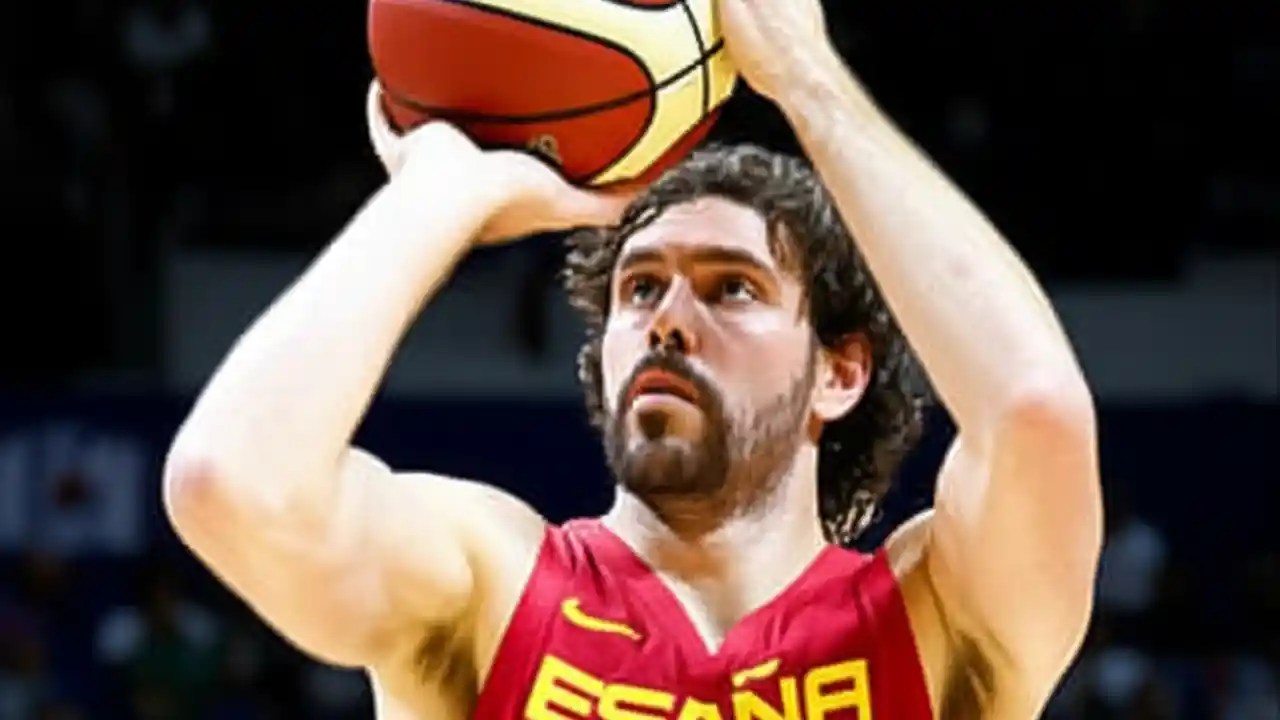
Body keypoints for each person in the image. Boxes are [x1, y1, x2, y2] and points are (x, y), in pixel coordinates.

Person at [162, 0, 1104, 717]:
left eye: (732, 288)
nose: (668, 321)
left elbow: (1037, 412)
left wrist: (808, 79)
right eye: (640, 287)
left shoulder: (935, 617)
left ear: (838, 372)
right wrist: (442, 189)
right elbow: (233, 482)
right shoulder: (492, 588)